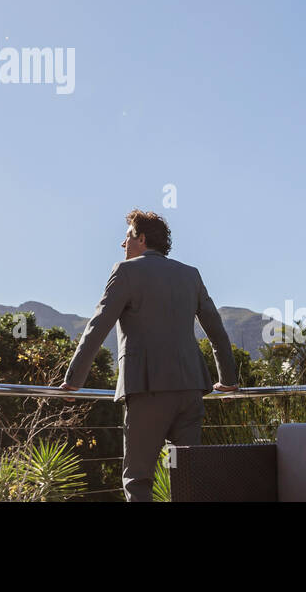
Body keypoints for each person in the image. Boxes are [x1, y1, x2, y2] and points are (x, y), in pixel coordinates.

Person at [58, 209, 239, 501]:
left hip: (147, 390)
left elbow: (97, 327)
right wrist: (228, 380)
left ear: (141, 238)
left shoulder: (125, 272)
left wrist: (74, 379)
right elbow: (216, 330)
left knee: (138, 479)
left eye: (127, 236)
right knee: (187, 477)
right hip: (191, 389)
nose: (122, 244)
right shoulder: (190, 275)